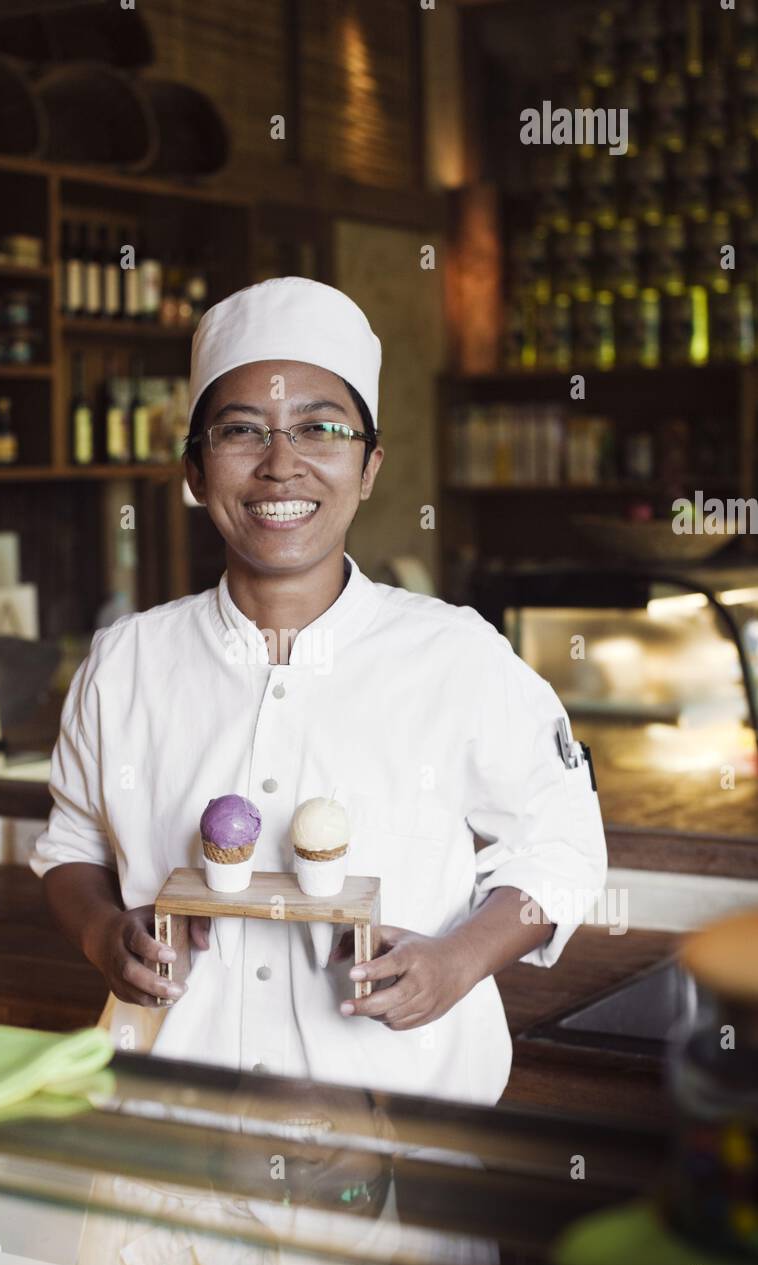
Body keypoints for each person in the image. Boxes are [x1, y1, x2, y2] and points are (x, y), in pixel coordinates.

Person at [31, 275, 607, 1108]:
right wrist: (100, 932)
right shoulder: (125, 661)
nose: (281, 464)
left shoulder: (457, 657)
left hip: (400, 1137)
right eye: (241, 432)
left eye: (320, 429)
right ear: (195, 469)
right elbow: (71, 847)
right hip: (161, 1127)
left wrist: (457, 962)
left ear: (369, 466)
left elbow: (560, 849)